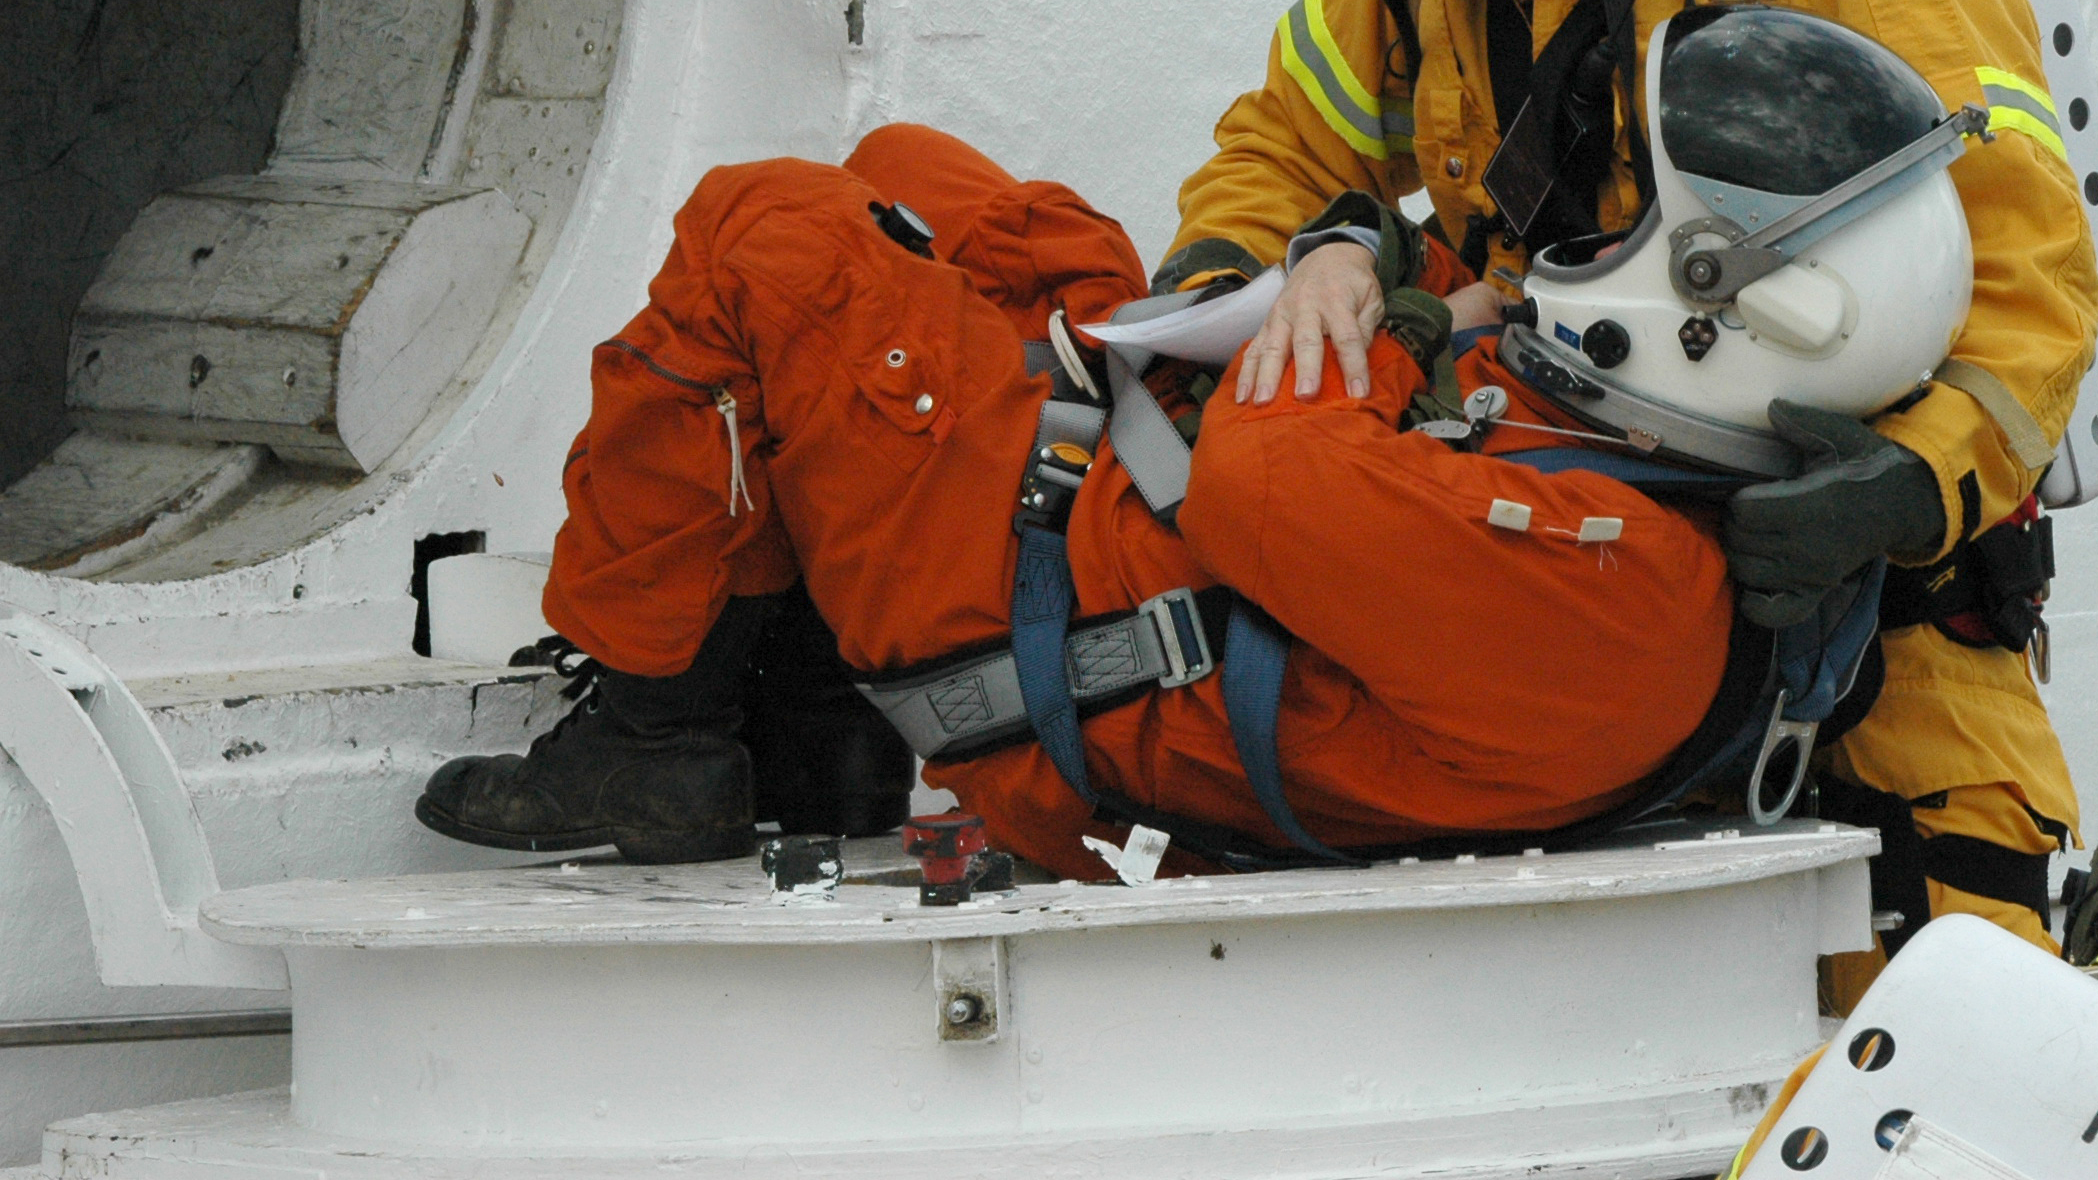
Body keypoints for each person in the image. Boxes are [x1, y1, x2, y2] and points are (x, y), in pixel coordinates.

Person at [1158, 0, 2096, 980]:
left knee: (1938, 1041)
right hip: (1553, 574)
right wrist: (1249, 275)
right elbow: (1283, 150)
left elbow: (2031, 270)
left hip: (1854, 621)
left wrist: (1908, 484)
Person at [414, 121, 1744, 876]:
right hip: (1115, 508)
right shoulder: (1641, 511)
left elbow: (1267, 478)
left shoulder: (1630, 603)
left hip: (1022, 622)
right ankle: (809, 728)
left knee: (764, 232)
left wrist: (1386, 309)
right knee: (915, 173)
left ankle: (656, 737)